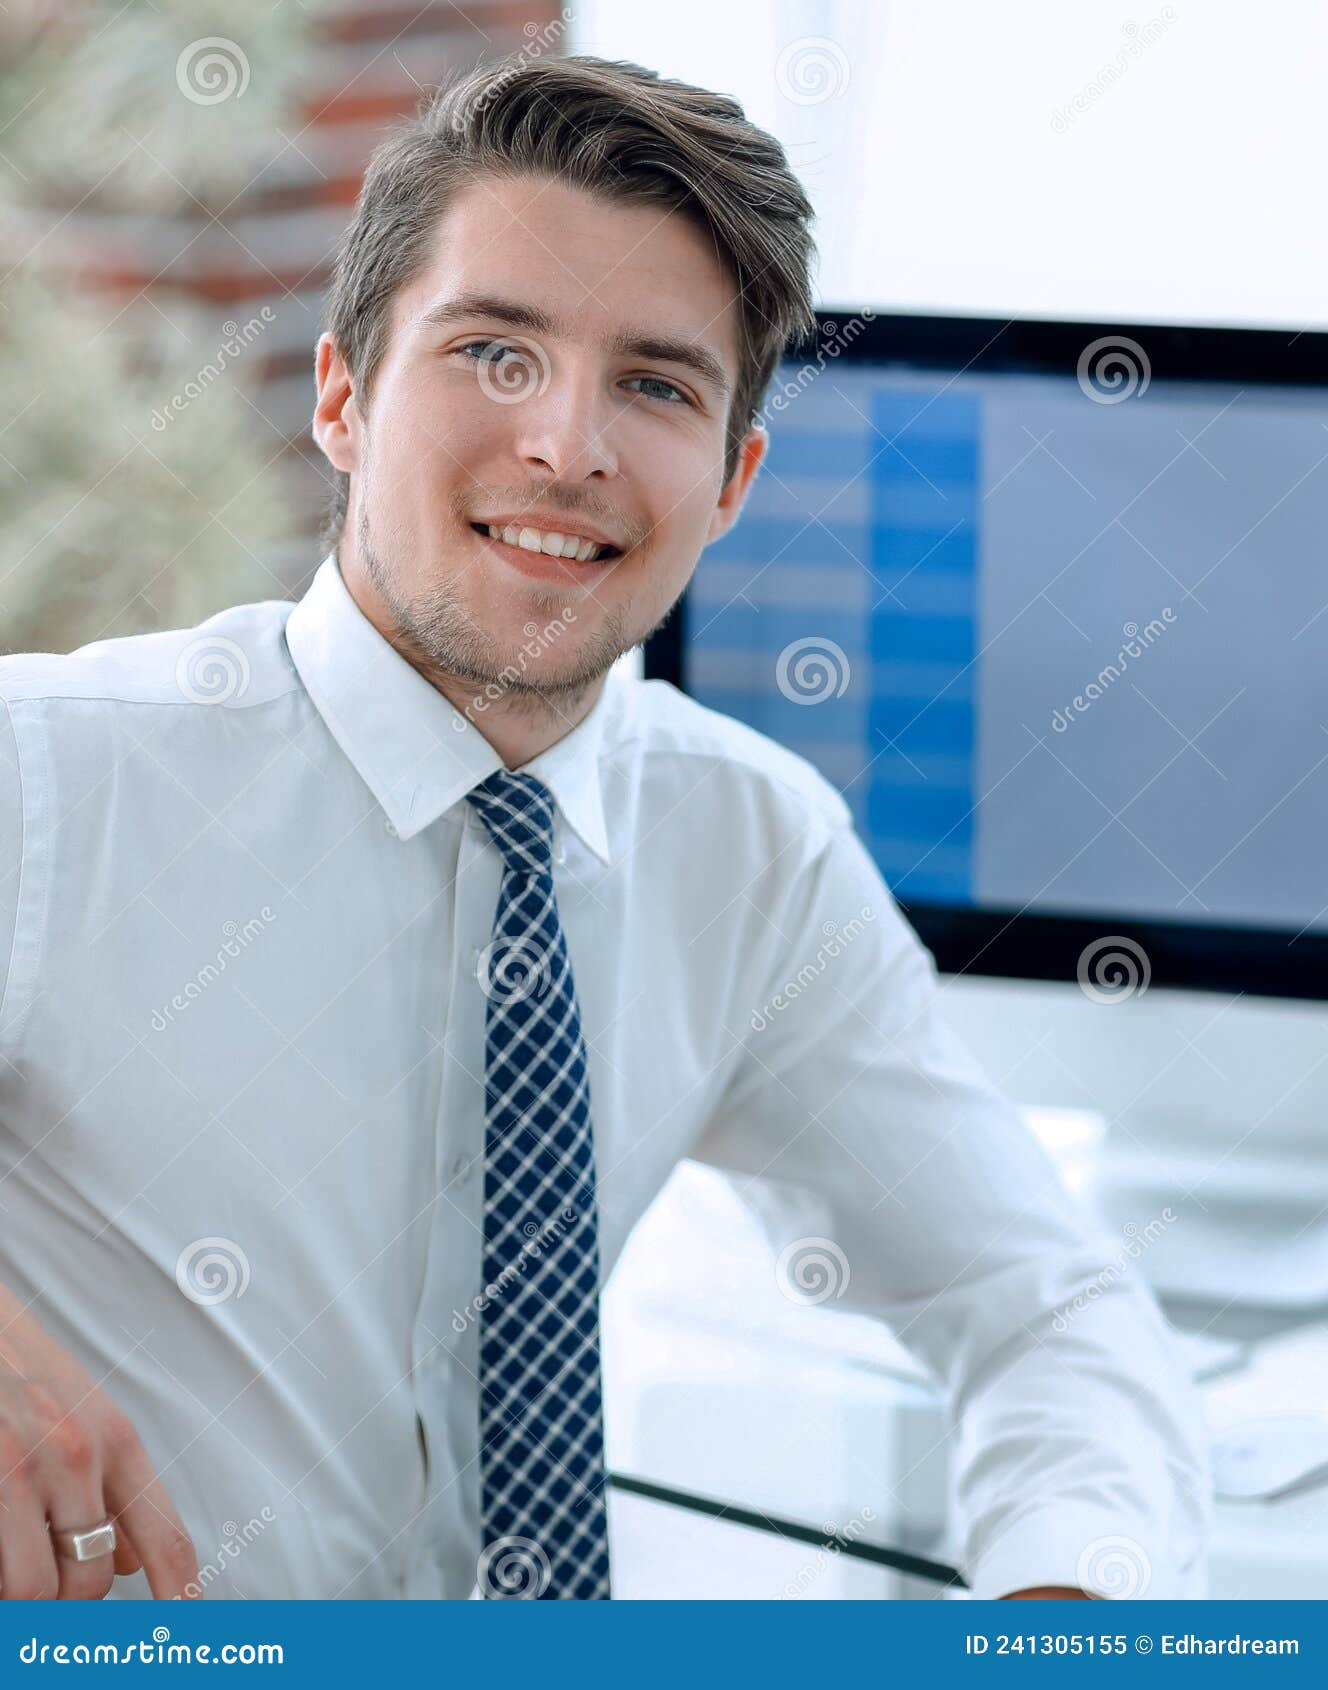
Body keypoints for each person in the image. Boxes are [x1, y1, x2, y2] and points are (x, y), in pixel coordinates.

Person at [0, 53, 1210, 1602]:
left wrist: (1068, 1612)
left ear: (732, 479)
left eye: (656, 384)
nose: (568, 444)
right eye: (495, 353)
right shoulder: (56, 779)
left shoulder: (748, 850)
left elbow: (1043, 1307)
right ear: (342, 398)